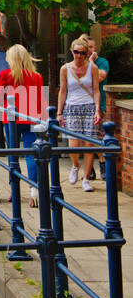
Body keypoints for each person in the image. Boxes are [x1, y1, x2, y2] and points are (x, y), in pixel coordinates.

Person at [0, 45, 46, 208]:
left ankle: (14, 191)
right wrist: (43, 120)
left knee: (13, 155)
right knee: (31, 154)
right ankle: (34, 192)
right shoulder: (37, 76)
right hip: (32, 119)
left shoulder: (6, 75)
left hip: (12, 121)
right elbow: (40, 100)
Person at [58, 36, 101, 193]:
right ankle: (75, 166)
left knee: (89, 144)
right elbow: (63, 91)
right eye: (76, 52)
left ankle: (86, 179)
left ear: (86, 53)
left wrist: (97, 109)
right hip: (72, 107)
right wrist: (59, 112)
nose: (79, 56)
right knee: (74, 144)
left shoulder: (93, 68)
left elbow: (96, 90)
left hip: (89, 106)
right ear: (71, 51)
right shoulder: (65, 69)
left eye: (82, 53)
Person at [86, 36, 109, 180]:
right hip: (82, 105)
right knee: (85, 139)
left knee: (98, 136)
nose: (89, 50)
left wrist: (90, 62)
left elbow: (100, 76)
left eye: (91, 47)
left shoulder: (102, 62)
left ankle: (102, 163)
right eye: (86, 47)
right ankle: (89, 169)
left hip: (98, 105)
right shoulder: (77, 63)